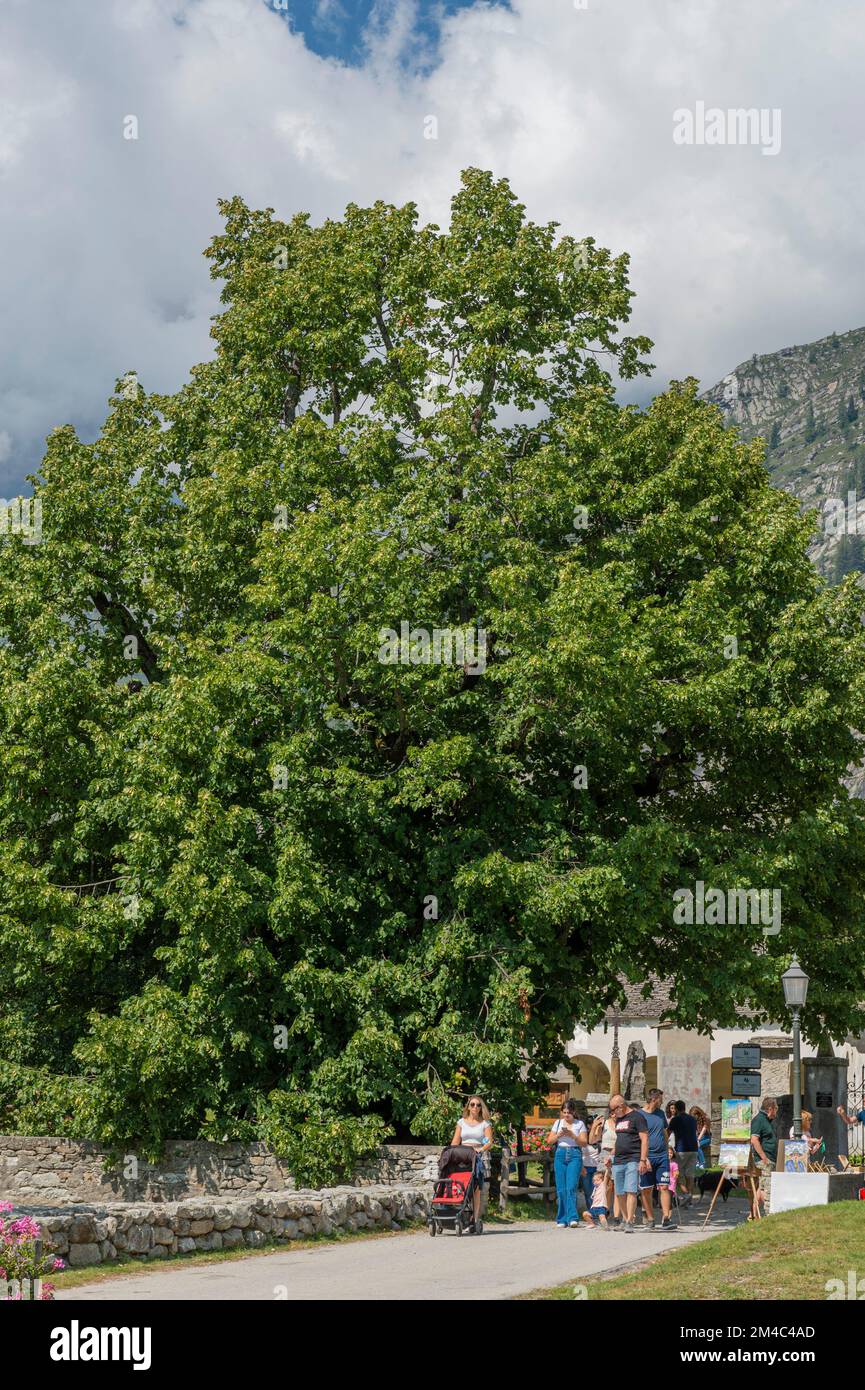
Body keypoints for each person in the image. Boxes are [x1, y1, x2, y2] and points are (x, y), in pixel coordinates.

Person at [606, 1093, 649, 1232]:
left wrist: (643, 1159)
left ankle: (630, 1220)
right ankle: (625, 1219)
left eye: (614, 1109)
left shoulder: (637, 1117)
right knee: (619, 1192)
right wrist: (611, 1154)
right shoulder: (619, 1119)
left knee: (630, 1190)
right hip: (618, 1159)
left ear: (622, 1106)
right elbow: (621, 1139)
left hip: (633, 1158)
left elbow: (645, 1139)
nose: (613, 1113)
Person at [450, 1096, 493, 1227]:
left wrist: (480, 1150)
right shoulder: (461, 1122)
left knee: (476, 1188)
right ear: (468, 1106)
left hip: (477, 1155)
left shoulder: (485, 1124)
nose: (475, 1107)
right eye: (472, 1104)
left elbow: (489, 1142)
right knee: (458, 1183)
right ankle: (458, 1214)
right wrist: (450, 1153)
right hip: (462, 1155)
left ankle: (474, 1218)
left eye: (478, 1105)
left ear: (481, 1108)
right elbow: (455, 1141)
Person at [639, 1088, 675, 1231]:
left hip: (662, 1157)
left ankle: (666, 1218)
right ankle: (650, 1218)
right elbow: (638, 1138)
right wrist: (643, 1158)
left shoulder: (660, 1114)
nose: (662, 1102)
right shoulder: (639, 1115)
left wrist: (668, 1148)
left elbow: (664, 1132)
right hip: (648, 1157)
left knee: (664, 1187)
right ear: (654, 1099)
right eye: (661, 1099)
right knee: (647, 1189)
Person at [548, 1098, 587, 1228]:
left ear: (573, 1112)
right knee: (561, 1188)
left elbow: (584, 1142)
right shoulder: (558, 1123)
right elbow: (549, 1140)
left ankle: (572, 1218)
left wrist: (572, 1135)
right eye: (564, 1112)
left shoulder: (579, 1124)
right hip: (560, 1154)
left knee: (571, 1187)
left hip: (575, 1154)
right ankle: (562, 1219)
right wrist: (559, 1135)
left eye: (568, 1113)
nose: (566, 1115)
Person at [749, 1096, 779, 1218]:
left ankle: (753, 1215)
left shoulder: (767, 1120)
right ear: (770, 1108)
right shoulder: (759, 1120)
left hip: (769, 1159)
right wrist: (764, 1158)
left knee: (761, 1188)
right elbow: (754, 1140)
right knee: (768, 1188)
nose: (776, 1112)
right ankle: (768, 1215)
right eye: (776, 1109)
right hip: (764, 1161)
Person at [668, 1100, 700, 1208]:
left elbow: (667, 1132)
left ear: (676, 1109)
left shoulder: (675, 1119)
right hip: (694, 1149)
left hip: (682, 1149)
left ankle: (687, 1195)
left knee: (678, 1175)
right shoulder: (692, 1119)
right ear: (685, 1107)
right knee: (690, 1175)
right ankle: (689, 1202)